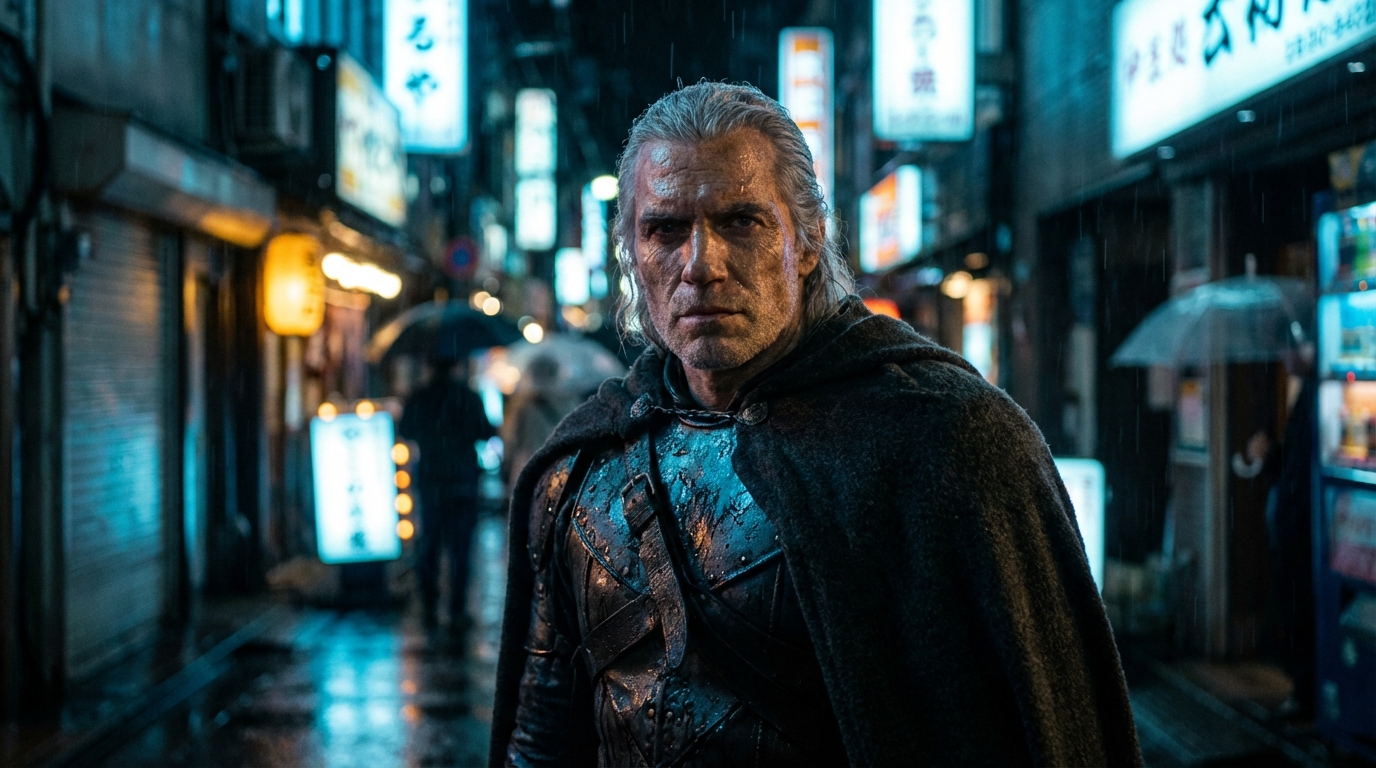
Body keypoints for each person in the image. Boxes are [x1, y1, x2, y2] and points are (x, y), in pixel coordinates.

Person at [491, 82, 1141, 766]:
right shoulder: (583, 470)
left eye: (741, 222)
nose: (701, 265)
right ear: (631, 253)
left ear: (805, 240)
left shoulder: (946, 438)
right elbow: (542, 740)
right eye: (665, 230)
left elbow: (1052, 736)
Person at [397, 356, 495, 630]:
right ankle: (457, 607)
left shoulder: (419, 397)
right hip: (463, 480)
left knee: (429, 542)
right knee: (460, 547)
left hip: (431, 480)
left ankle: (428, 605)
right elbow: (486, 432)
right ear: (455, 366)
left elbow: (405, 431)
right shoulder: (468, 396)